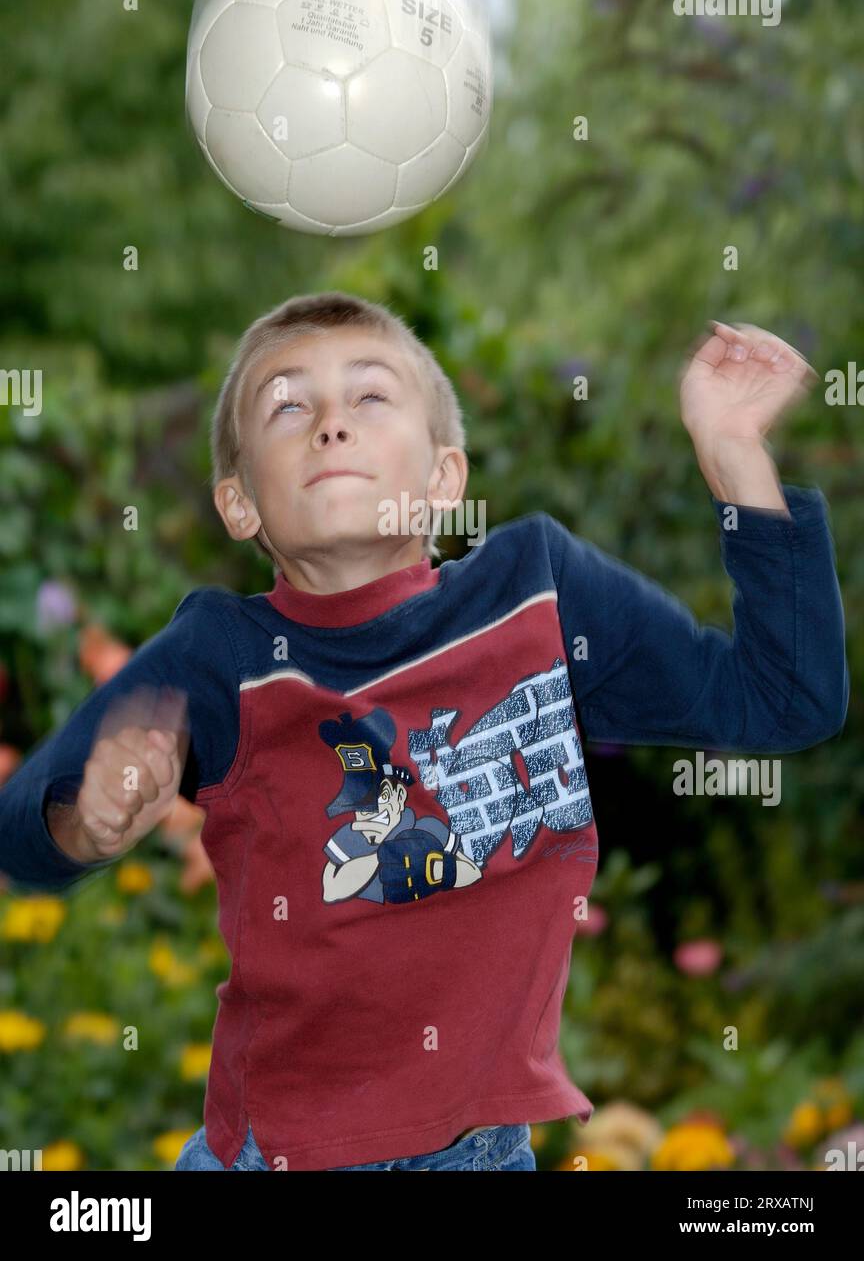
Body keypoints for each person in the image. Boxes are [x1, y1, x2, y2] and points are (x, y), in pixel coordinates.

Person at [0, 292, 849, 1172]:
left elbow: (786, 697)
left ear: (444, 479)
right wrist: (84, 819)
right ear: (240, 503)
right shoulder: (222, 656)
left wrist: (733, 453)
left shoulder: (540, 594)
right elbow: (22, 828)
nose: (330, 424)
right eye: (287, 405)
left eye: (370, 396)